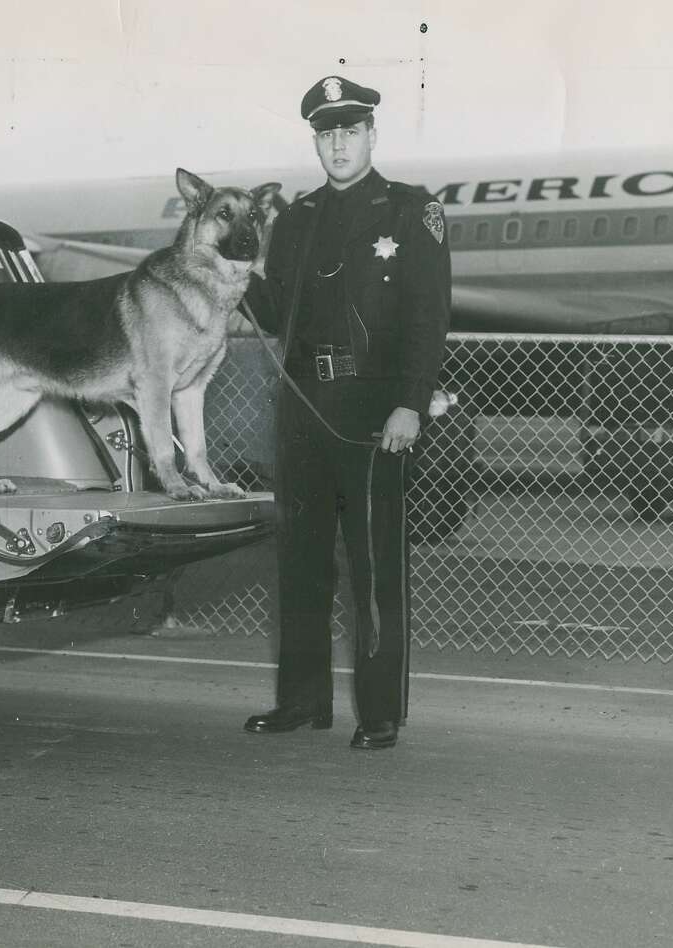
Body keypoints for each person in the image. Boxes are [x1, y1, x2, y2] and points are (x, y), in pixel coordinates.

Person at [243, 75, 451, 750]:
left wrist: (409, 405)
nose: (338, 145)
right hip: (303, 405)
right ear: (317, 141)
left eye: (349, 132)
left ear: (370, 136)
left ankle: (379, 711)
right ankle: (302, 701)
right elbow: (275, 316)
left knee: (373, 569)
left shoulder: (408, 213)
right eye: (326, 134)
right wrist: (234, 270)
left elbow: (428, 319)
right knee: (300, 563)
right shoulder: (297, 221)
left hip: (371, 409)